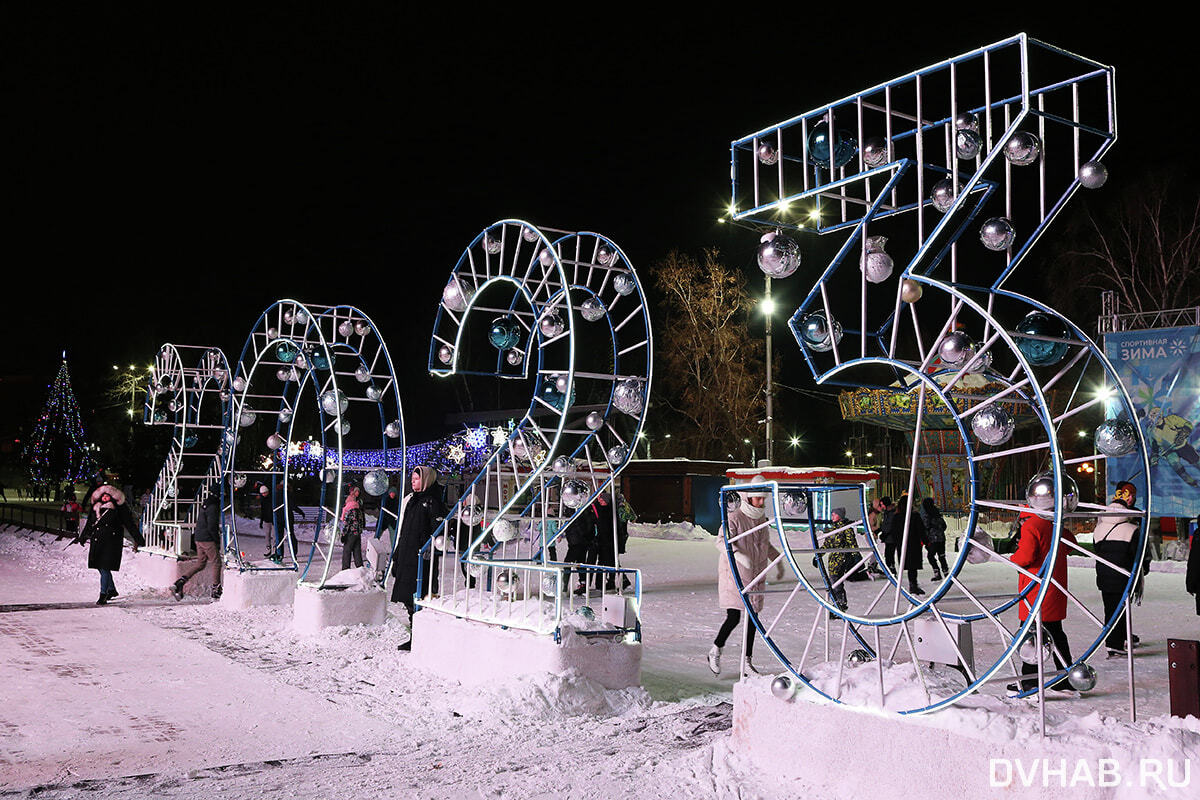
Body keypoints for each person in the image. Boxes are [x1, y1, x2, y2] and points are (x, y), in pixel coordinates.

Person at [708, 489, 782, 676]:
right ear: (748, 498)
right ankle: (715, 650)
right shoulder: (734, 517)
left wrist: (778, 560)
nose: (760, 502)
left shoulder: (762, 520)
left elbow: (766, 545)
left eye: (763, 499)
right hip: (734, 575)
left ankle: (747, 662)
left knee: (753, 619)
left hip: (756, 576)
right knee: (734, 617)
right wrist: (739, 556)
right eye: (757, 498)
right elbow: (721, 542)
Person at [1010, 505, 1077, 693]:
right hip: (1054, 589)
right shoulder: (1053, 525)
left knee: (1030, 635)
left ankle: (1030, 680)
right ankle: (1065, 676)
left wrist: (1013, 558)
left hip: (1035, 591)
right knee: (1056, 633)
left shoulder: (1031, 526)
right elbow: (1072, 544)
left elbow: (1025, 557)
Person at [390, 466, 444, 651]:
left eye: (416, 479)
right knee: (408, 598)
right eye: (412, 479)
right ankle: (414, 635)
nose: (413, 482)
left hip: (422, 558)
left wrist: (427, 547)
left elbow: (438, 530)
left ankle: (420, 638)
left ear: (426, 480)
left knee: (420, 597)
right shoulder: (413, 500)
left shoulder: (432, 501)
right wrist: (397, 554)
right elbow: (404, 531)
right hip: (407, 554)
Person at [1092, 481, 1146, 655]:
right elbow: (1138, 555)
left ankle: (1120, 637)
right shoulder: (1132, 529)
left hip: (1104, 576)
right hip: (1124, 576)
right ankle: (1115, 643)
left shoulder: (1098, 529)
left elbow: (1097, 551)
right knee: (1121, 609)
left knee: (1111, 608)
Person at [75, 485, 144, 605]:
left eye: (108, 496)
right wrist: (83, 536)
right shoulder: (96, 507)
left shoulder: (119, 509)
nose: (105, 498)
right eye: (103, 496)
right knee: (100, 567)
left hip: (111, 542)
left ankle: (103, 594)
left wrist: (139, 539)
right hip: (98, 541)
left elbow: (129, 524)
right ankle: (111, 589)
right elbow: (90, 523)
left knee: (105, 567)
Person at [171, 491, 223, 600]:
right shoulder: (213, 506)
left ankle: (180, 582)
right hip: (207, 539)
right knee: (216, 562)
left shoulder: (206, 504)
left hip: (198, 537)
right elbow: (212, 526)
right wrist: (217, 541)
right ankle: (216, 590)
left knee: (200, 563)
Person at [882, 493, 926, 594]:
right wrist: (926, 541)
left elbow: (894, 531)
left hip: (902, 544)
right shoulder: (914, 516)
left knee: (906, 563)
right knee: (912, 566)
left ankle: (911, 584)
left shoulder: (897, 517)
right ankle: (913, 584)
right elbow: (921, 530)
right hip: (913, 543)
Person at [920, 497, 950, 581]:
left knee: (930, 556)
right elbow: (944, 525)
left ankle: (937, 572)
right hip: (941, 538)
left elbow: (925, 526)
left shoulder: (926, 515)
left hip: (932, 539)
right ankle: (946, 572)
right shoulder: (937, 513)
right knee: (942, 556)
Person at [340, 485, 365, 570]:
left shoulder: (352, 509)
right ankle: (360, 568)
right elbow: (361, 521)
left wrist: (343, 534)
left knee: (347, 551)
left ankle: (345, 569)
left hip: (351, 533)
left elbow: (347, 523)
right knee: (357, 551)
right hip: (357, 533)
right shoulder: (358, 508)